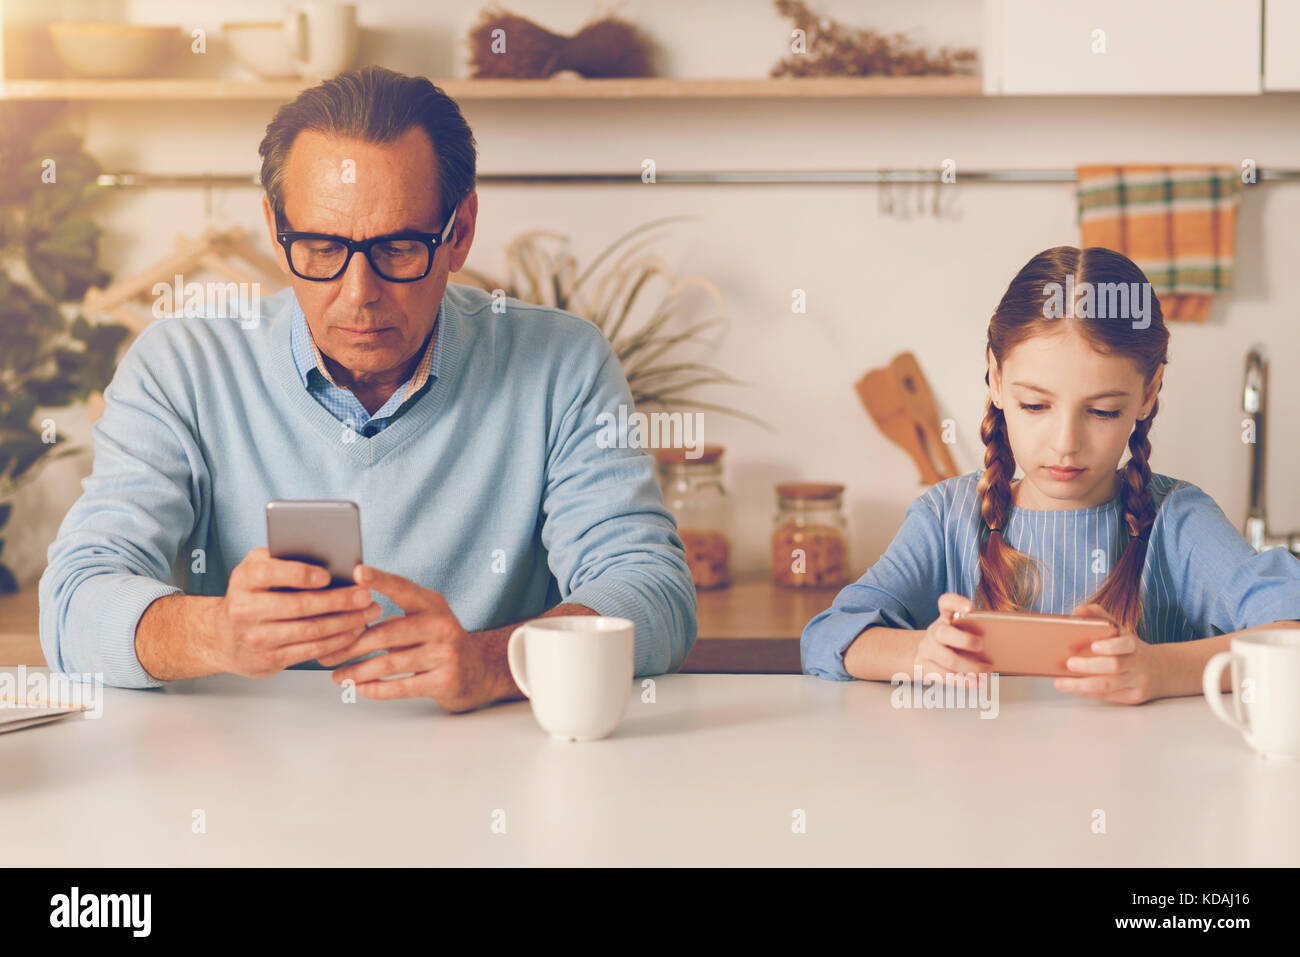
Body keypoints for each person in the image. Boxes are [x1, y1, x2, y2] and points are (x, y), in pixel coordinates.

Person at [39, 66, 696, 711]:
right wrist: (216, 633)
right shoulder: (181, 366)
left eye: (400, 248)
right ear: (275, 229)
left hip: (491, 774)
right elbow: (74, 602)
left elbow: (651, 588)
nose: (359, 297)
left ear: (458, 232)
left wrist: (496, 661)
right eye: (322, 248)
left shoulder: (562, 362)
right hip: (248, 787)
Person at [801, 245, 1300, 704]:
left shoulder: (1177, 520)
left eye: (1102, 411)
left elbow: (1291, 634)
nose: (1066, 443)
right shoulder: (946, 517)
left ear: (1149, 393)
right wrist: (917, 653)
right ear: (996, 379)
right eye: (1035, 404)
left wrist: (1163, 669)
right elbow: (830, 635)